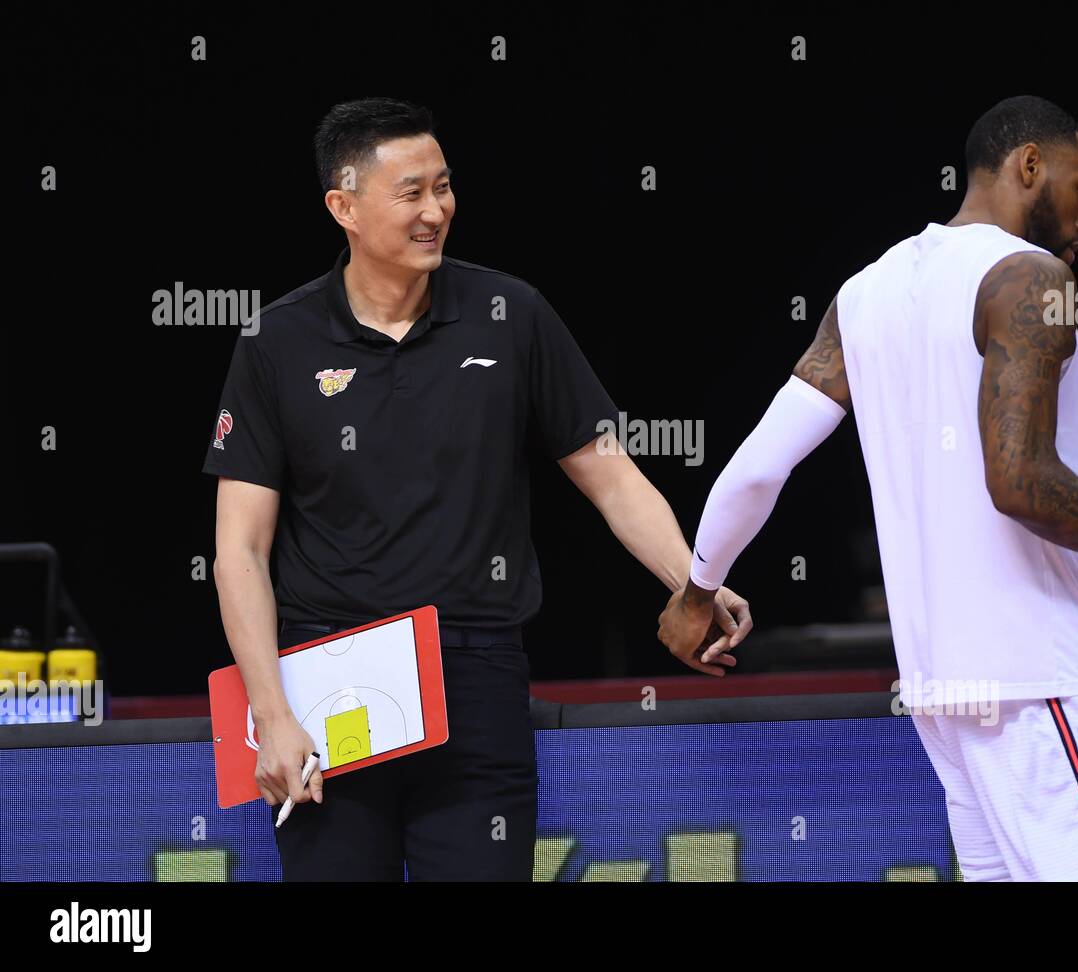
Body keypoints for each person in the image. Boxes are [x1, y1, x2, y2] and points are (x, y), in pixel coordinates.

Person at [657, 95, 1078, 881]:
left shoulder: (865, 292)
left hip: (940, 695)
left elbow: (756, 467)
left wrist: (696, 589)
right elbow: (1019, 481)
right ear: (1028, 166)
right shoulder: (1028, 276)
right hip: (1035, 677)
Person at [204, 96, 751, 881]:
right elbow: (239, 551)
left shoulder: (510, 315)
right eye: (411, 192)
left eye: (444, 187)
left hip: (478, 679)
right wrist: (272, 714)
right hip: (329, 685)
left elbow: (612, 479)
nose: (436, 211)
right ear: (344, 206)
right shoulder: (278, 342)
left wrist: (695, 583)